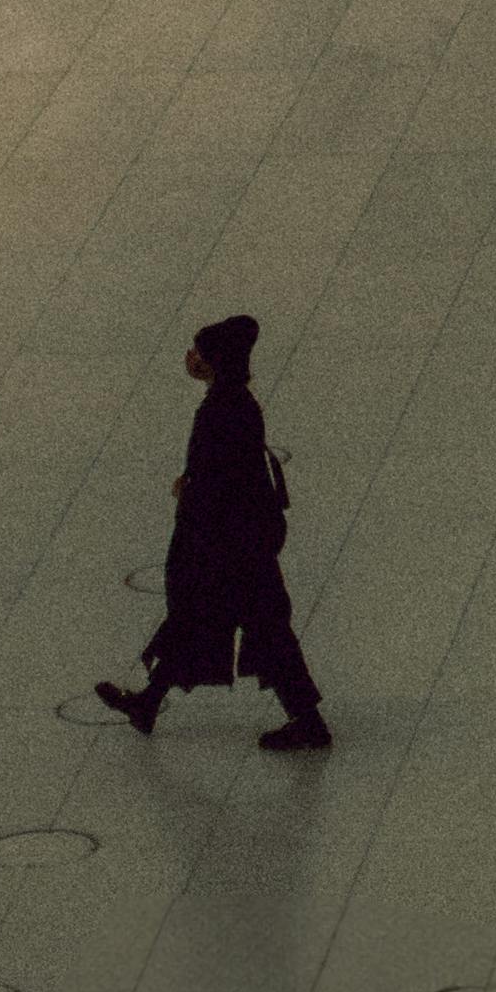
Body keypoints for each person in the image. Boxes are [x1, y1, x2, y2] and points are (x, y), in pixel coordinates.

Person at [101, 313, 331, 748]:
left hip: (231, 545)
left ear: (212, 363)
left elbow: (219, 484)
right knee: (209, 621)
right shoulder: (235, 402)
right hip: (243, 540)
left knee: (235, 624)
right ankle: (148, 703)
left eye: (198, 354)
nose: (190, 358)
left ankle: (308, 723)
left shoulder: (221, 411)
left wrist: (190, 496)